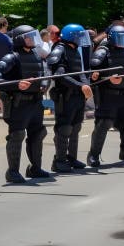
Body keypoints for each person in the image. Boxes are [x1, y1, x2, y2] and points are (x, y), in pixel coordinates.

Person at [0, 26, 50, 183]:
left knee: (38, 134)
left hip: (36, 102)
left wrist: (44, 84)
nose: (32, 39)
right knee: (16, 136)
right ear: (19, 39)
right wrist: (16, 84)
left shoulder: (37, 55)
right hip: (18, 104)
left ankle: (35, 168)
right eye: (28, 37)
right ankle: (12, 172)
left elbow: (45, 74)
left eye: (33, 36)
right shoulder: (11, 57)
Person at [87, 25, 124, 166]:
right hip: (108, 96)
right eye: (120, 38)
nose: (123, 41)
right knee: (103, 124)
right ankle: (93, 155)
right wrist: (107, 77)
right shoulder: (102, 52)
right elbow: (92, 76)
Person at [47, 24, 93, 173]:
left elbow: (80, 73)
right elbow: (60, 75)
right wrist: (80, 86)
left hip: (77, 95)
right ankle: (59, 160)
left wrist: (86, 85)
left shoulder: (74, 51)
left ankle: (71, 157)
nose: (81, 39)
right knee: (64, 128)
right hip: (64, 96)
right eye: (79, 36)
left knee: (76, 126)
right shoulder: (60, 49)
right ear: (72, 36)